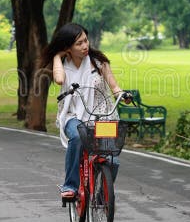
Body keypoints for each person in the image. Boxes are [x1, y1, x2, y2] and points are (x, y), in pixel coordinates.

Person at [41, 23, 129, 199]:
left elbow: (114, 87)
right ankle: (70, 187)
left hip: (102, 116)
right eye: (79, 43)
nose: (85, 46)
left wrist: (123, 95)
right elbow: (59, 80)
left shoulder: (99, 62)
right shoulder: (63, 64)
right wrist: (57, 56)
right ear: (68, 47)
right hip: (73, 116)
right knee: (77, 137)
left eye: (86, 40)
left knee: (112, 160)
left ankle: (102, 196)